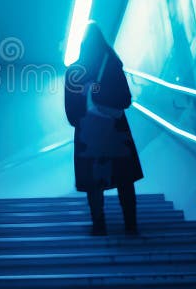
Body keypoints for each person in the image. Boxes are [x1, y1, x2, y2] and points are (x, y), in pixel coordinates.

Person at [64, 21, 143, 235]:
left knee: (93, 180)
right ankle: (131, 225)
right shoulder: (113, 65)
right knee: (124, 178)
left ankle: (99, 226)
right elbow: (126, 100)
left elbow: (71, 114)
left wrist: (87, 107)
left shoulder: (73, 71)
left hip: (88, 133)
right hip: (116, 130)